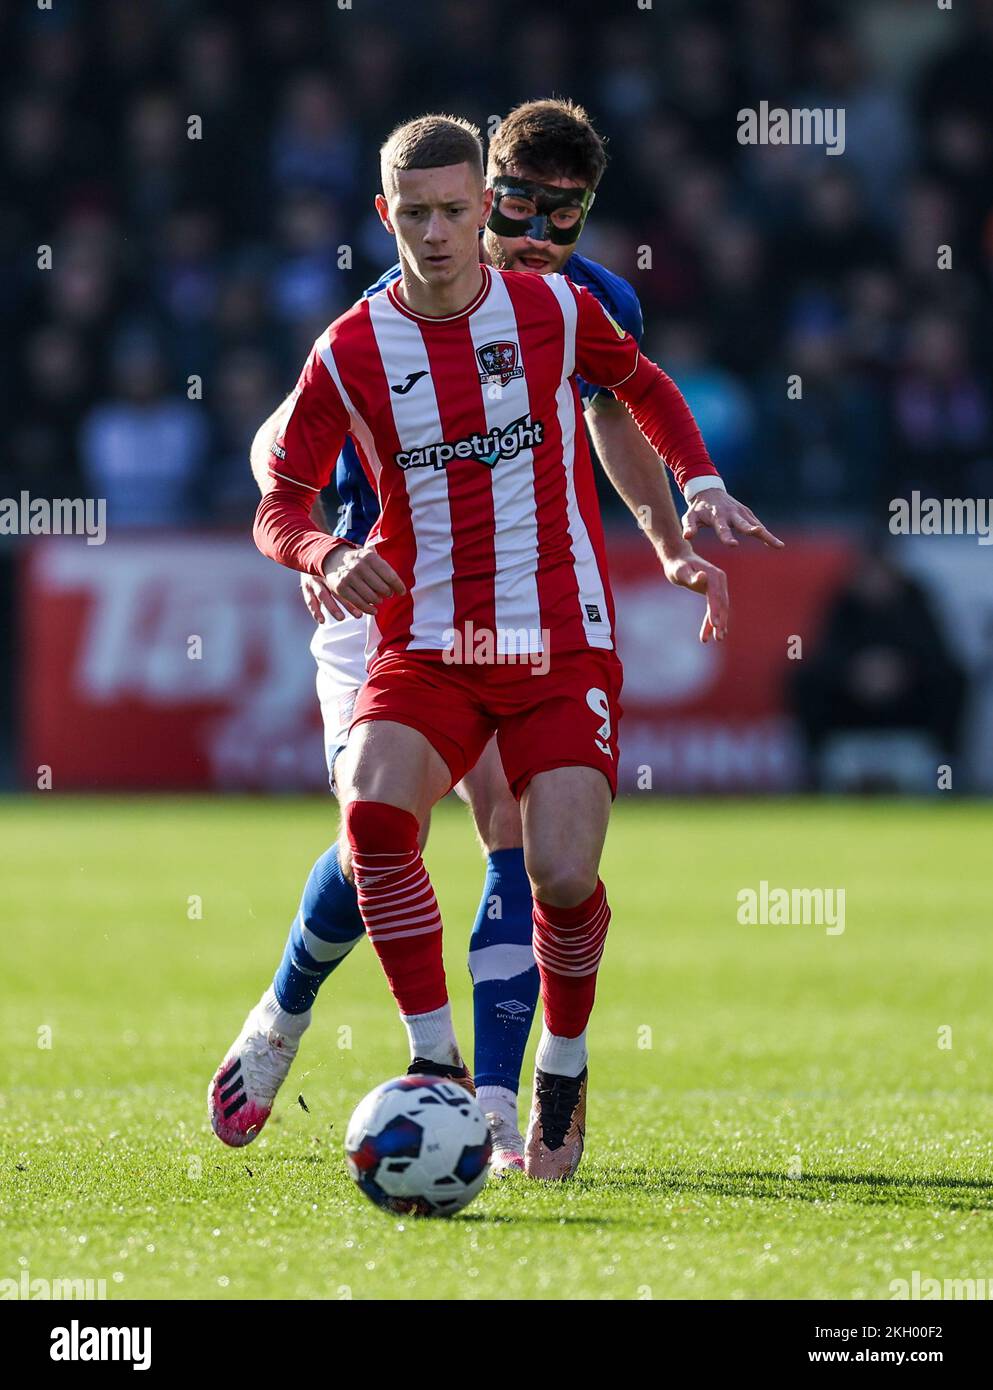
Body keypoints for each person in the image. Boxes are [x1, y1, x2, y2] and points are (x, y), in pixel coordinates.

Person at [250, 113, 781, 1180]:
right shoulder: (359, 337)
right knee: (371, 836)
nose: (518, 229)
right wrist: (319, 549)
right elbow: (278, 460)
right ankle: (288, 1016)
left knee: (538, 855)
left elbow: (618, 410)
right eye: (499, 206)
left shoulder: (569, 306)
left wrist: (681, 526)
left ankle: (508, 1090)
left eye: (559, 213)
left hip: (541, 623)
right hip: (383, 597)